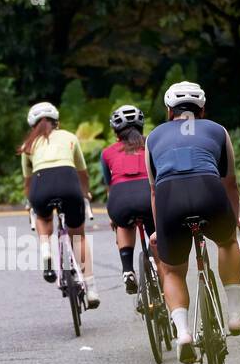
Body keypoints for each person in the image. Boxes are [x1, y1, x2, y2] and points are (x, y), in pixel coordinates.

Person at [144, 81, 240, 363]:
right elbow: (230, 182)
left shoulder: (152, 137)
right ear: (202, 109)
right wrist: (233, 222)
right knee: (227, 243)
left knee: (173, 270)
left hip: (169, 199)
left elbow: (154, 190)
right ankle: (235, 315)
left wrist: (158, 231)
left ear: (169, 110)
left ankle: (184, 332)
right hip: (209, 191)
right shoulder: (217, 130)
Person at [20, 101, 99, 307]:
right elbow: (82, 173)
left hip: (40, 183)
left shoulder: (28, 145)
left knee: (43, 218)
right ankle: (91, 289)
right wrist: (85, 193)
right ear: (58, 122)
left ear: (32, 126)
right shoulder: (70, 137)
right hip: (68, 182)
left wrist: (31, 203)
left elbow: (28, 182)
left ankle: (45, 249)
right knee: (78, 237)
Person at [99, 104, 154, 296]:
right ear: (141, 127)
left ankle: (128, 269)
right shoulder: (151, 144)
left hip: (119, 199)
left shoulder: (107, 153)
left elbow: (109, 186)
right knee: (155, 225)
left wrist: (114, 216)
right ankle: (157, 261)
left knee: (123, 224)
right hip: (148, 196)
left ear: (116, 132)